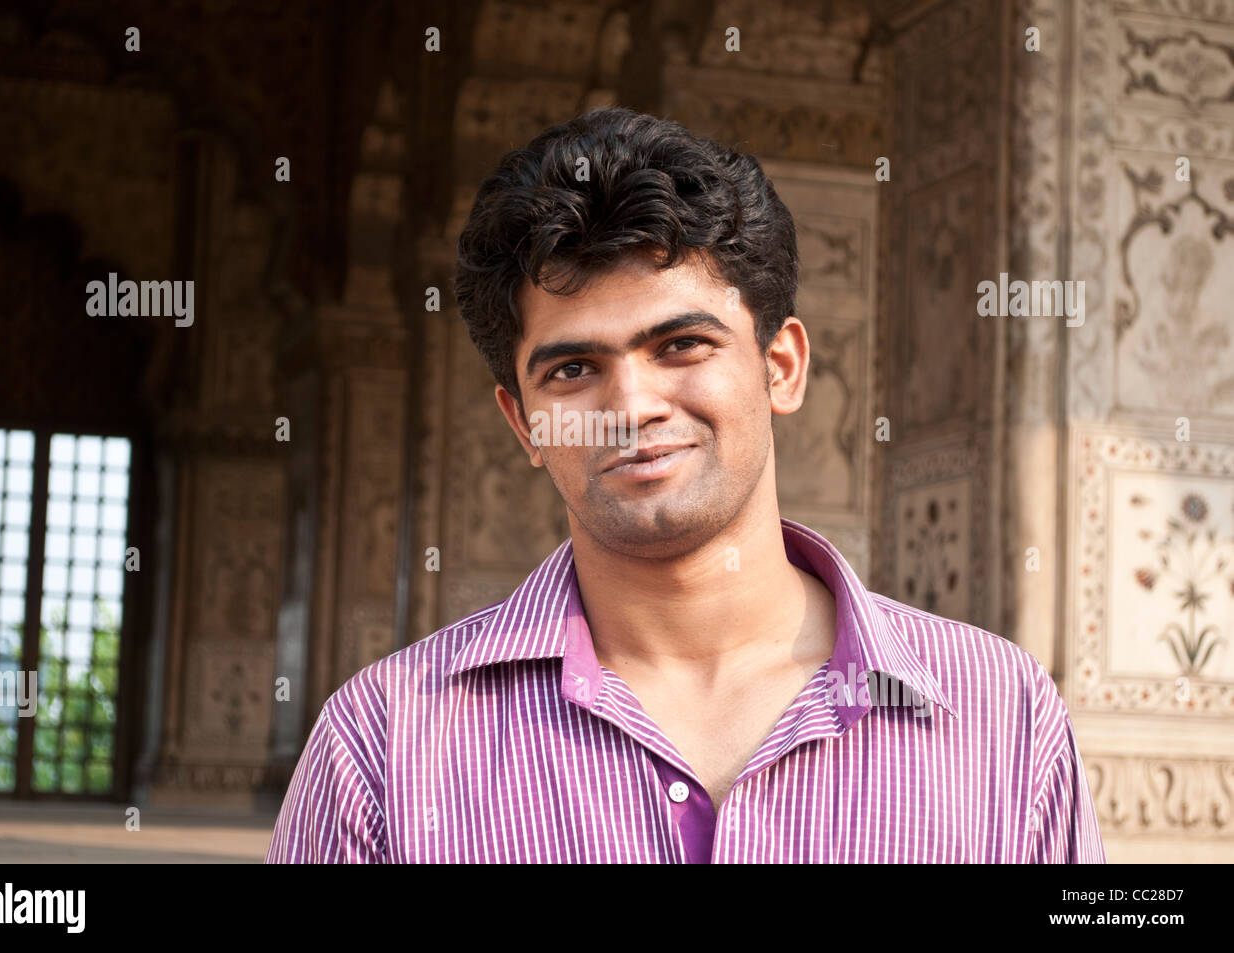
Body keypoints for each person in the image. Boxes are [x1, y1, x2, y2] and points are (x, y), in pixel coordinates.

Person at [265, 106, 1106, 863]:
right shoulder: (382, 747)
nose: (631, 406)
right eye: (571, 368)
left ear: (781, 366)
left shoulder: (999, 717)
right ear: (524, 422)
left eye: (681, 345)